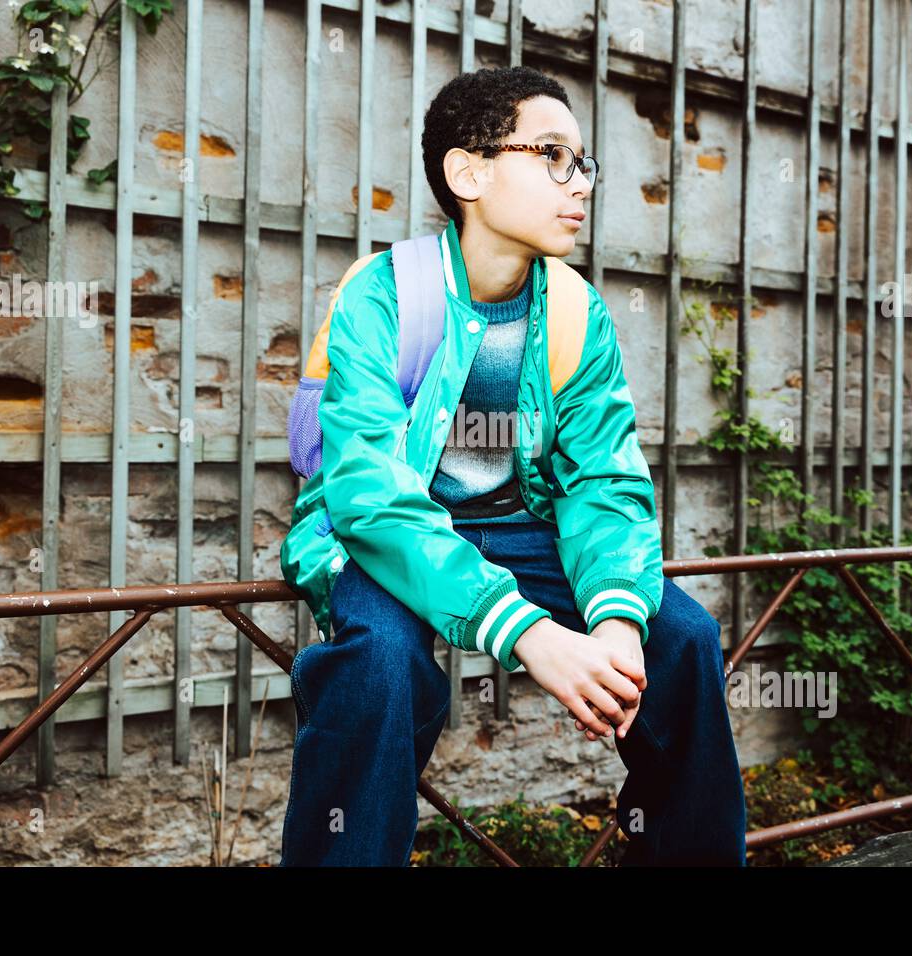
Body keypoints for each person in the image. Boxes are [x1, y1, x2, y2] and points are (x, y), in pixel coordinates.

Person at [278, 65, 747, 866]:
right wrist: (527, 632)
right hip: (387, 536)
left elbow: (604, 477)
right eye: (554, 156)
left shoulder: (574, 309)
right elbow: (368, 494)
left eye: (584, 162)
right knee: (379, 667)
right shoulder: (384, 294)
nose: (583, 184)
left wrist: (616, 618)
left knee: (682, 638)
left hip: (515, 529)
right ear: (470, 172)